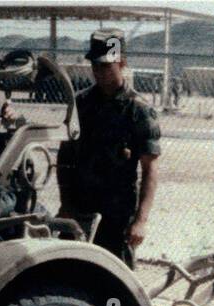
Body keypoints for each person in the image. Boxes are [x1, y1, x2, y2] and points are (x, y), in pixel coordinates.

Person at [57, 31, 161, 267]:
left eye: (106, 66)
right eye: (95, 65)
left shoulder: (138, 110)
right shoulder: (81, 104)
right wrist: (65, 203)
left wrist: (141, 221)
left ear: (122, 63)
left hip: (117, 215)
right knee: (70, 272)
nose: (99, 72)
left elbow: (150, 169)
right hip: (80, 209)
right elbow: (65, 158)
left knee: (114, 280)